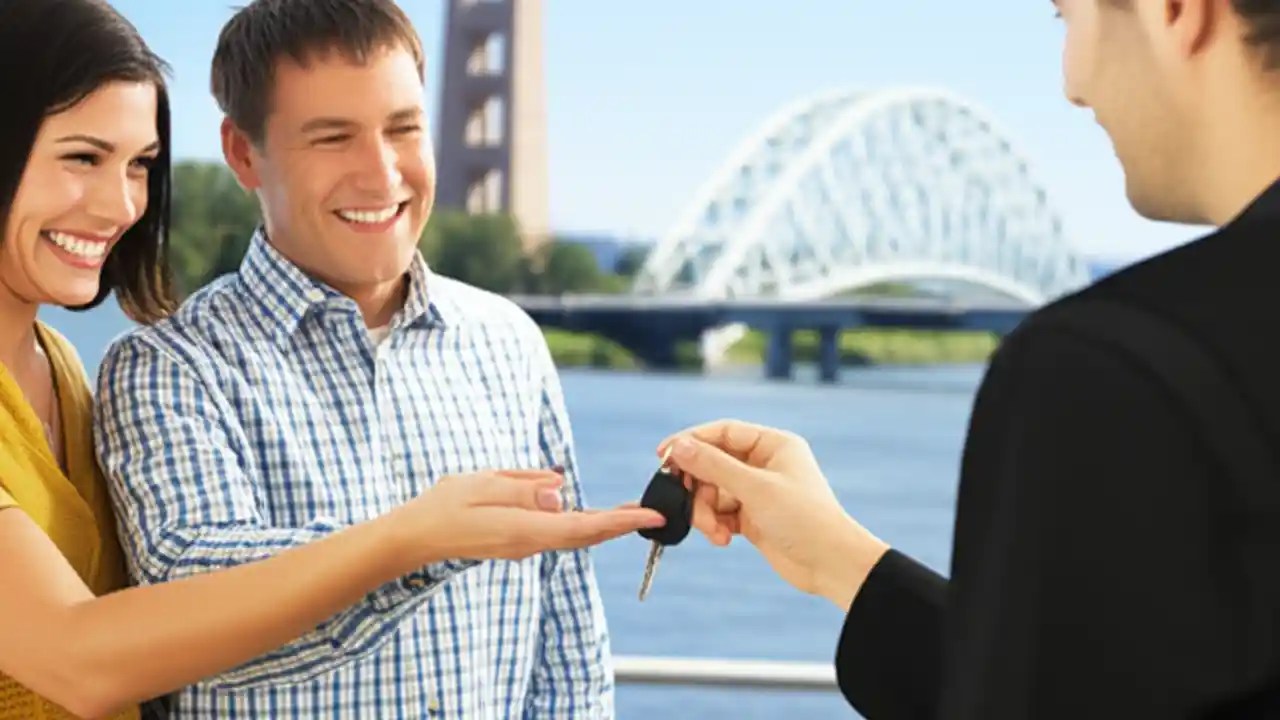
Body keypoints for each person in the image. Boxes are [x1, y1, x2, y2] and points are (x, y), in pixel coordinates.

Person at [0, 2, 664, 719]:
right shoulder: (167, 368)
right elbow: (125, 643)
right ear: (242, 154)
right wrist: (416, 541)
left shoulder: (59, 368)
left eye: (140, 165)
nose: (120, 205)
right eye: (82, 157)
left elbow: (569, 653)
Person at [658, 0, 1280, 717]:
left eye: (1066, 19)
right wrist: (841, 561)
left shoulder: (1111, 368)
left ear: (1173, 11)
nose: (1072, 85)